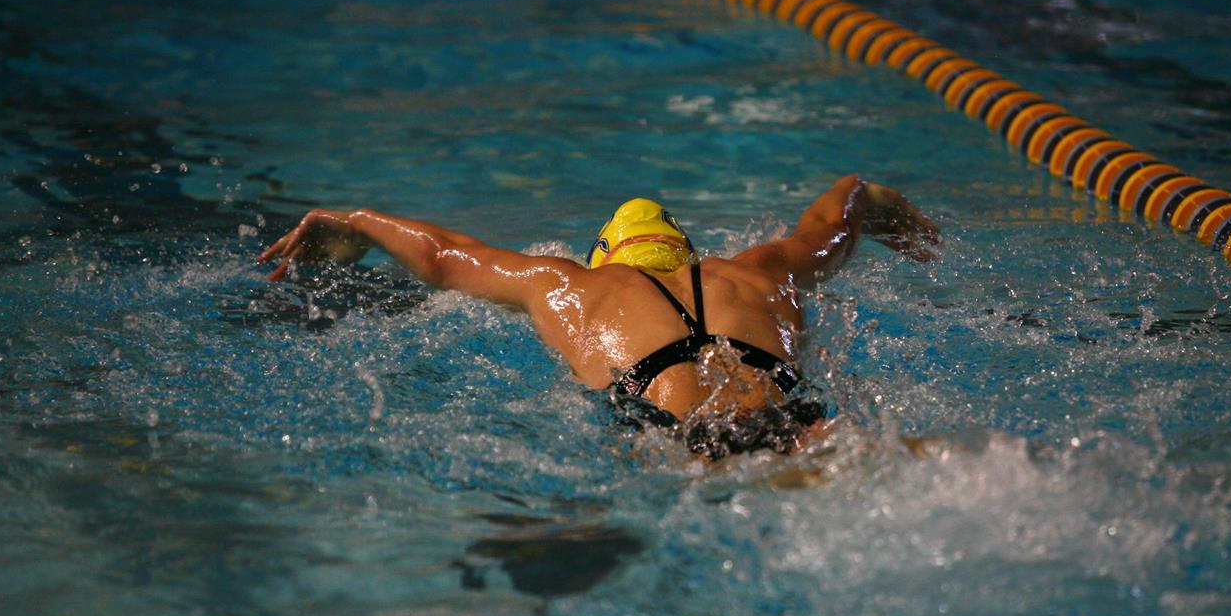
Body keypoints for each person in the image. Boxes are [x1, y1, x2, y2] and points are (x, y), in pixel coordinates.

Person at [258, 175, 938, 460]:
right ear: (686, 256)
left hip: (677, 449)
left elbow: (442, 255)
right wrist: (869, 198)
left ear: (606, 256)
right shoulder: (758, 270)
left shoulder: (567, 286)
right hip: (805, 427)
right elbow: (836, 215)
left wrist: (355, 223)